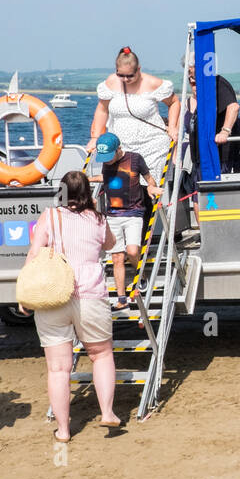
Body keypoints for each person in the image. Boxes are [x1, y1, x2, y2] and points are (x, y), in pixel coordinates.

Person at [23, 171, 121, 442]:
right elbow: (110, 245)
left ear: (62, 191)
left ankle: (64, 430)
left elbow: (34, 252)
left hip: (54, 294)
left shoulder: (50, 216)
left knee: (58, 368)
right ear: (88, 191)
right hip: (90, 295)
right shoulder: (98, 219)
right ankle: (107, 413)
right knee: (101, 355)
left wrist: (24, 293)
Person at [89, 132, 162, 310]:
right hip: (112, 215)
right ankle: (121, 299)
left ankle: (142, 276)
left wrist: (152, 187)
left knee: (132, 250)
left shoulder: (135, 159)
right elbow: (108, 178)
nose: (106, 161)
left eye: (109, 156)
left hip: (134, 213)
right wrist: (89, 178)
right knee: (116, 258)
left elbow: (148, 178)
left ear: (119, 149)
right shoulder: (107, 164)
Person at [89, 45, 180, 182]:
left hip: (152, 147)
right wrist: (95, 137)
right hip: (121, 148)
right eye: (121, 75)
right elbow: (102, 109)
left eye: (130, 76)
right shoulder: (111, 82)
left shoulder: (153, 83)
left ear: (138, 69)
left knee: (146, 191)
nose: (125, 79)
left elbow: (174, 102)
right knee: (119, 189)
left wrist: (172, 126)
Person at [185, 56, 239, 172]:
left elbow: (233, 107)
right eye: (188, 71)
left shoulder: (217, 82)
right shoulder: (200, 93)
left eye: (192, 69)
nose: (190, 75)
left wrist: (225, 131)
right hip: (200, 156)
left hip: (219, 155)